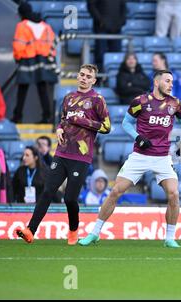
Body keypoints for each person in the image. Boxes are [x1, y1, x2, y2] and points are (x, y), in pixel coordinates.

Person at [79, 70, 181, 248]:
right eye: (167, 81)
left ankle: (169, 237)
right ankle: (94, 233)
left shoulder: (175, 104)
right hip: (139, 156)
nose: (171, 84)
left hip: (162, 157)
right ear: (156, 82)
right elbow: (126, 123)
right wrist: (138, 137)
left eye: (171, 81)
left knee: (174, 194)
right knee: (116, 191)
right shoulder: (140, 102)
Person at [14, 64, 111, 245]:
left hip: (81, 156)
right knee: (47, 191)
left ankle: (73, 229)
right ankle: (30, 230)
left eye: (88, 76)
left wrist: (82, 121)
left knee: (70, 198)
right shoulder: (68, 98)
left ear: (93, 80)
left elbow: (106, 127)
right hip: (62, 152)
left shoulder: (97, 100)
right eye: (81, 74)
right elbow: (64, 120)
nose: (84, 78)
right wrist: (59, 129)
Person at [11, 2, 57, 124]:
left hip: (27, 58)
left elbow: (18, 44)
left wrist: (18, 57)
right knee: (42, 88)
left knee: (22, 89)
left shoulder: (22, 26)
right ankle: (47, 117)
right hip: (43, 59)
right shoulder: (45, 25)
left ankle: (17, 117)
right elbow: (52, 42)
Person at [87, 0, 127, 70]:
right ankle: (99, 78)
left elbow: (123, 7)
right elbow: (91, 6)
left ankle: (114, 78)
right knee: (100, 55)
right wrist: (100, 21)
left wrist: (122, 21)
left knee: (116, 56)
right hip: (101, 29)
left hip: (116, 29)